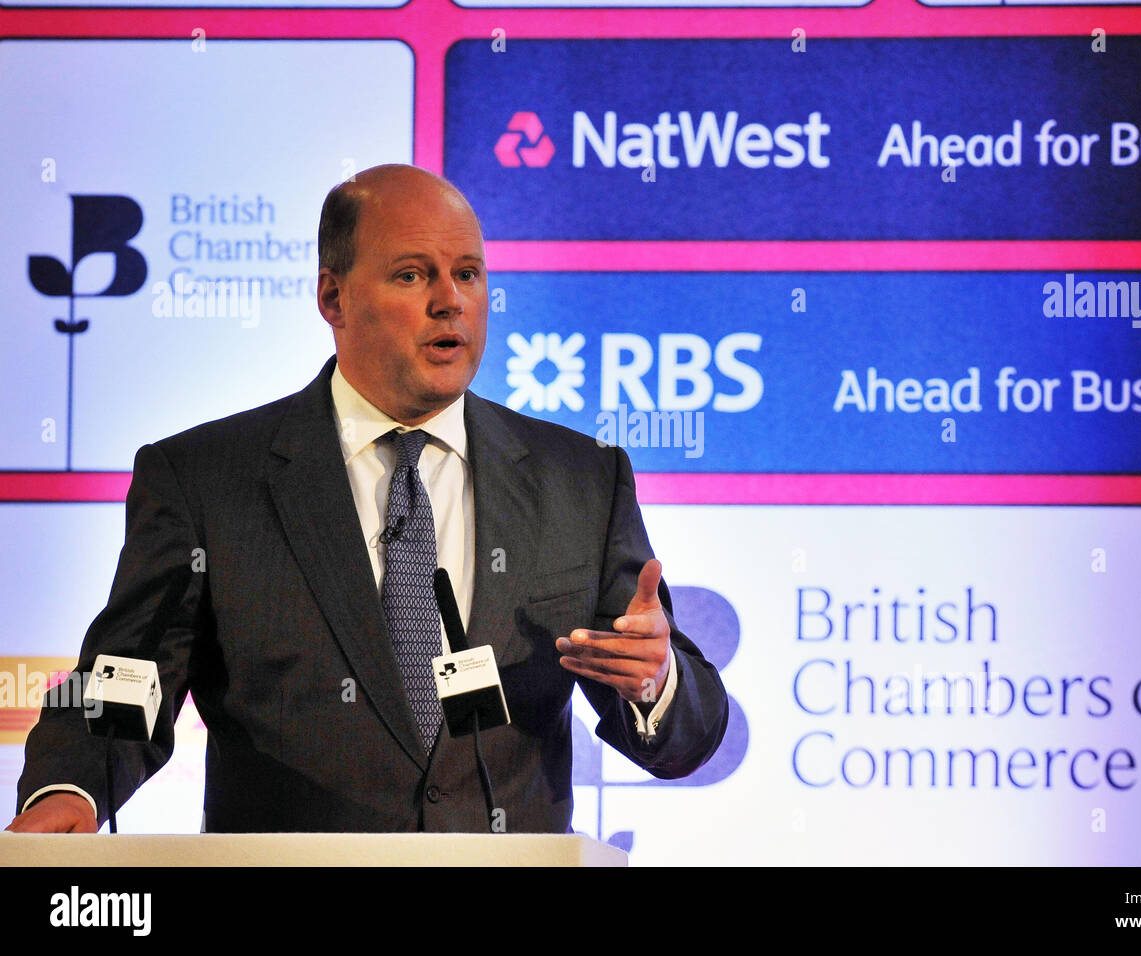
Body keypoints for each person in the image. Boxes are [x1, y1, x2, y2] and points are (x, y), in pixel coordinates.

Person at [8, 164, 728, 833]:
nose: (450, 300)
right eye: (413, 275)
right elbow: (130, 680)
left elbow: (687, 734)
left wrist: (655, 680)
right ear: (333, 297)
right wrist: (69, 791)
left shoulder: (581, 480)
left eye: (468, 274)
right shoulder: (207, 480)